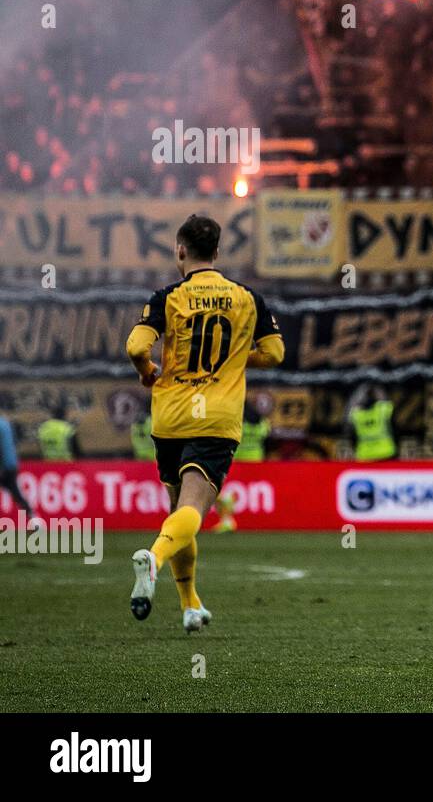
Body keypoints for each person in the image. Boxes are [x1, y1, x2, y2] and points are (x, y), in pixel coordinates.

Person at [124, 214, 285, 633]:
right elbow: (276, 353)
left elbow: (136, 345)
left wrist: (146, 370)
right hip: (215, 418)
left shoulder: (168, 296)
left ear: (180, 250)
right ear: (217, 253)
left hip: (171, 416)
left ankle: (190, 604)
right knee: (193, 510)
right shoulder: (247, 297)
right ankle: (153, 561)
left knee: (178, 512)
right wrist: (235, 357)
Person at [0, 414, 35, 520]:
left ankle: (33, 517)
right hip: (12, 463)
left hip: (4, 465)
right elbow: (14, 442)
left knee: (15, 491)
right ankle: (33, 517)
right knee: (15, 492)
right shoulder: (5, 423)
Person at [347, 386, 397, 461]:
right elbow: (385, 400)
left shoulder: (356, 414)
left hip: (364, 454)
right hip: (386, 452)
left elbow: (349, 434)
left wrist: (358, 394)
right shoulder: (383, 409)